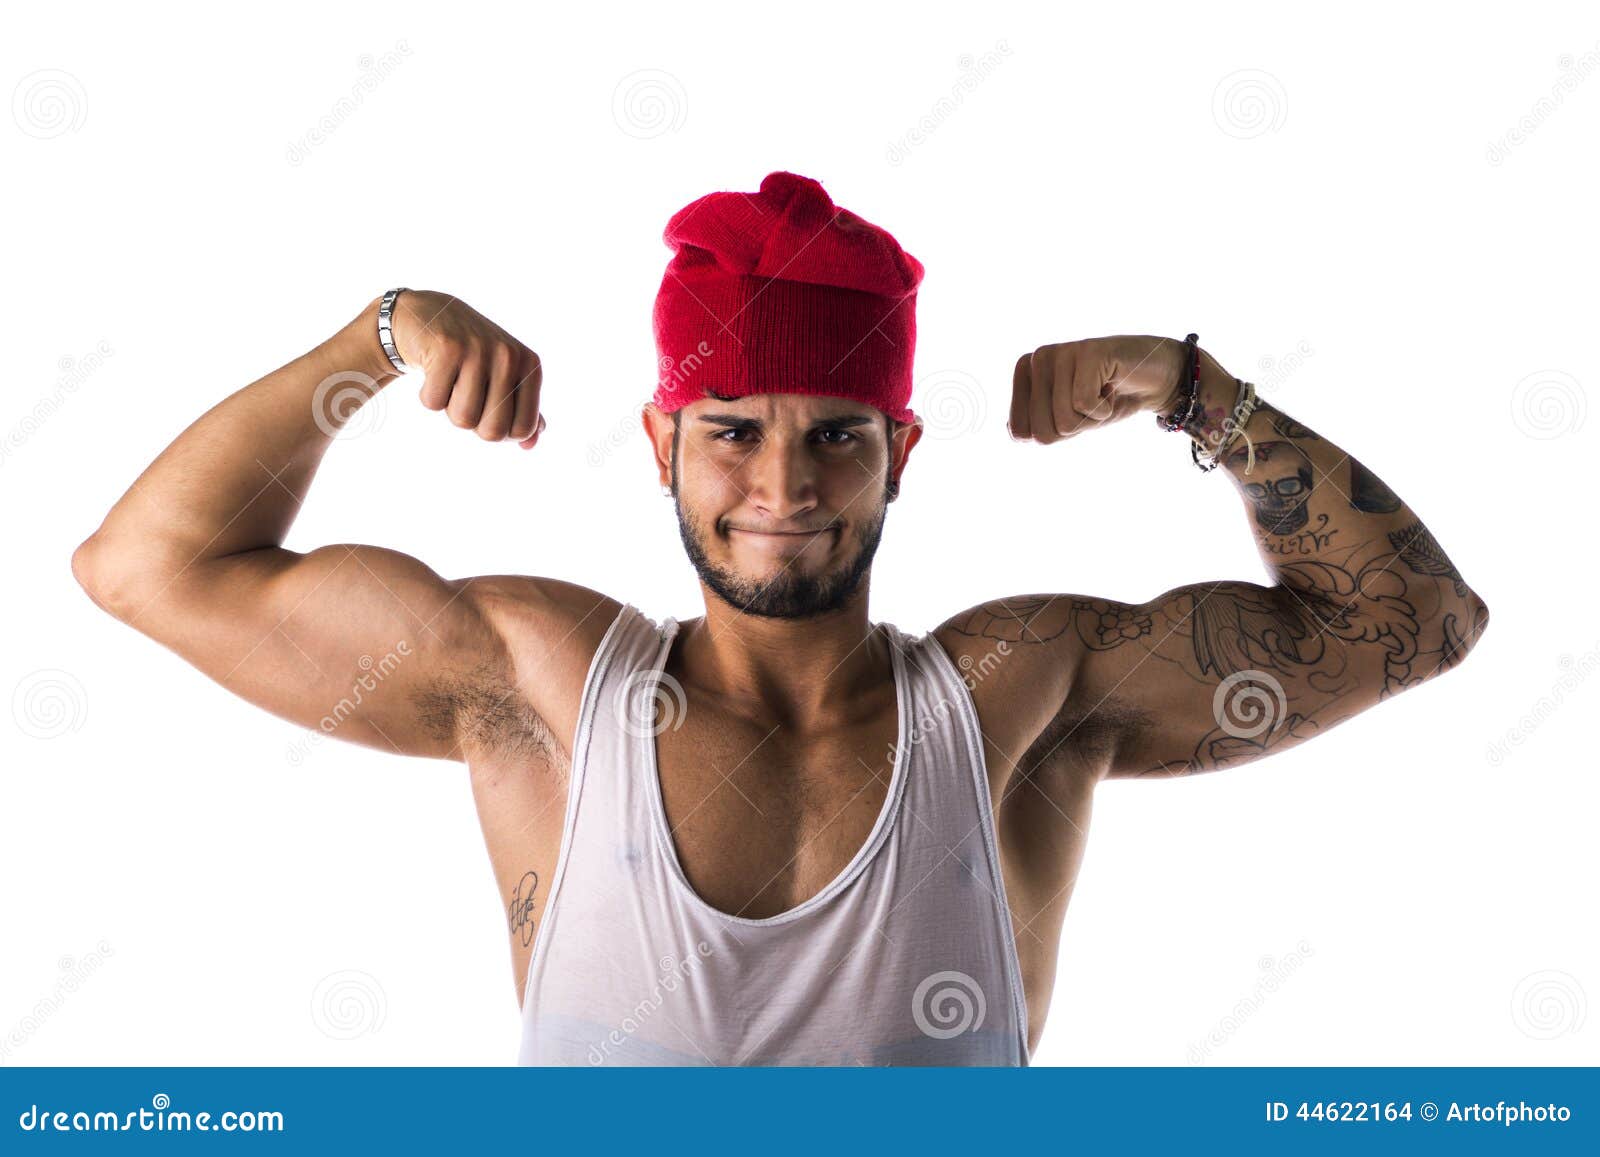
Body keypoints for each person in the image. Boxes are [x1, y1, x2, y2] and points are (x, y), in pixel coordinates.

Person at [71, 170, 1490, 1066]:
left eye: (838, 436)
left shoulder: (1018, 692)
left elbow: (1418, 619)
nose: (782, 485)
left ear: (902, 450)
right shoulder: (542, 684)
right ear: (662, 441)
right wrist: (375, 338)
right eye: (735, 430)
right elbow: (145, 567)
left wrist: (1196, 388)